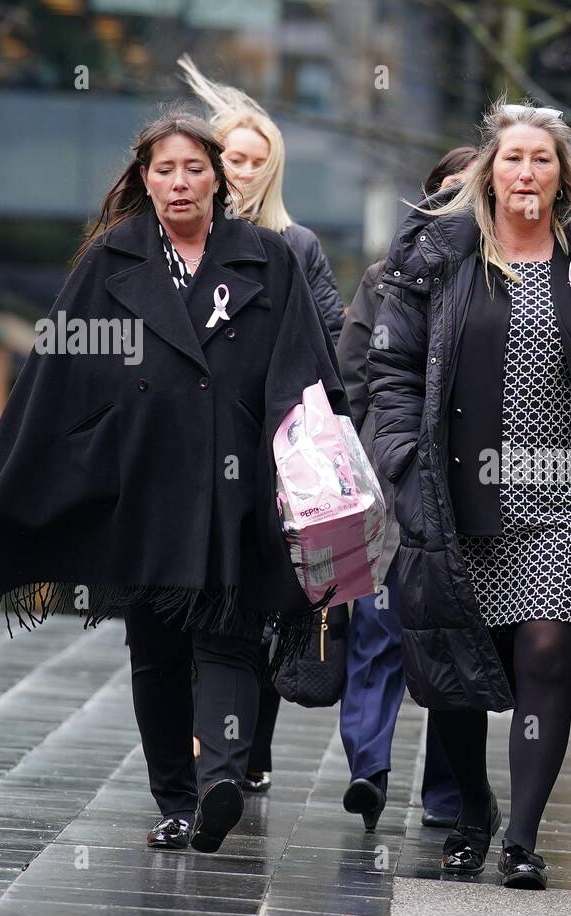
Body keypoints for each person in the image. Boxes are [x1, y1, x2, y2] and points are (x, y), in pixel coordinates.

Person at [0, 111, 346, 853]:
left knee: (229, 632)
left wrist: (310, 464)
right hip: (144, 486)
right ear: (144, 179)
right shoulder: (111, 262)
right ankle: (177, 796)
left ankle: (221, 780)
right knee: (157, 646)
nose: (179, 183)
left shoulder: (268, 259)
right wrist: (51, 464)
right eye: (164, 171)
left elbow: (304, 371)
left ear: (218, 178)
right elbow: (58, 377)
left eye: (194, 169)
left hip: (236, 483)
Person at [367, 99, 571, 890]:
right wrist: (405, 461)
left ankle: (520, 836)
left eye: (542, 160)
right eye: (513, 158)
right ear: (489, 170)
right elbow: (393, 370)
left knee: (547, 648)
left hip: (564, 498)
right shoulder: (440, 257)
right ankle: (473, 812)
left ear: (563, 176)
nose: (526, 172)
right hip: (456, 490)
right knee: (454, 665)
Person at [179, 56, 348, 793]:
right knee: (188, 606)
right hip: (184, 456)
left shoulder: (294, 249)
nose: (241, 171)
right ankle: (206, 743)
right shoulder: (174, 245)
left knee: (257, 605)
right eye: (232, 158)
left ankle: (243, 748)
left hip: (267, 457)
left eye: (254, 161)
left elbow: (331, 341)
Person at [335, 146, 476, 831]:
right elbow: (352, 377)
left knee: (451, 644)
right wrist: (369, 465)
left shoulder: (498, 282)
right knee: (378, 630)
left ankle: (447, 796)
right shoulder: (384, 279)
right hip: (391, 487)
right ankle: (368, 766)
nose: (457, 206)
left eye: (469, 193)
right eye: (446, 193)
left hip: (470, 493)